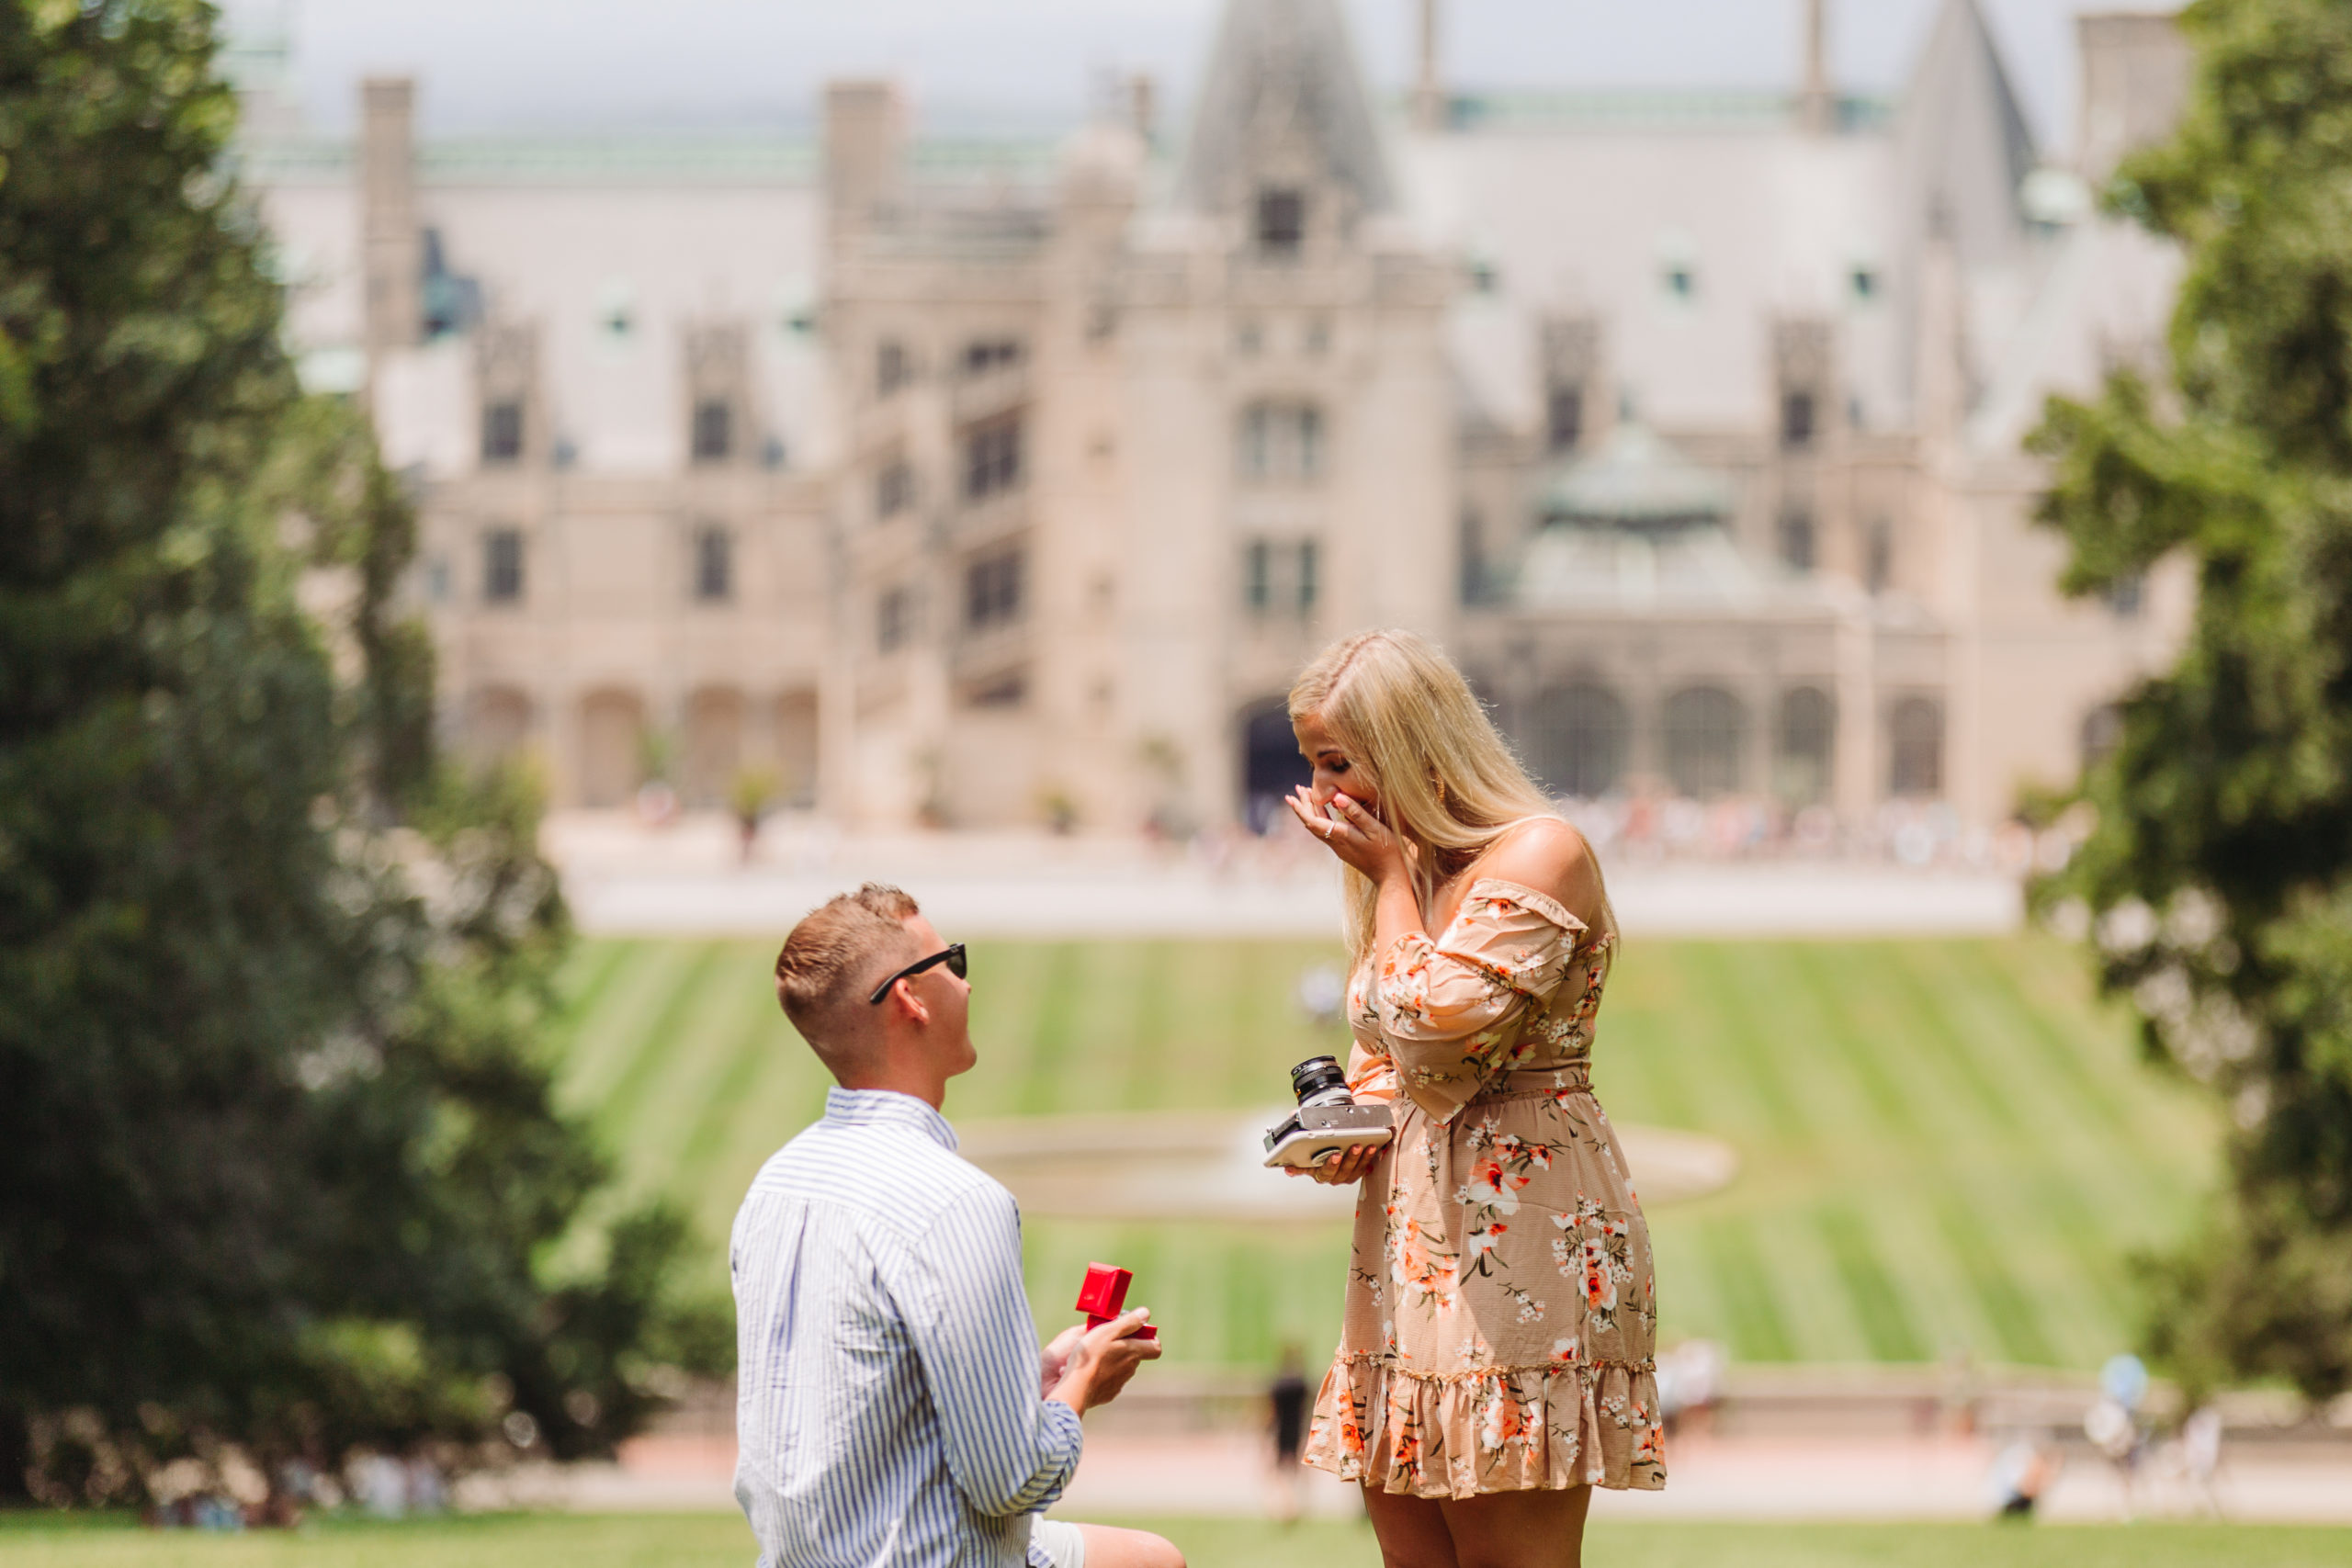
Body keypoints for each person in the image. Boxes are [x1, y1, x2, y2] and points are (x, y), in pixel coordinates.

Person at [1282, 629, 1666, 1568]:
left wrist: (1383, 881)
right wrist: (1352, 1125)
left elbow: (1426, 1021)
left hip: (1523, 1236)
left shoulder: (1539, 852)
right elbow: (1393, 1057)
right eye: (1312, 764)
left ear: (1412, 746)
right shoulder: (1413, 872)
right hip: (1409, 1246)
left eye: (1337, 762)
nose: (1323, 794)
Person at [732, 884, 1182, 1568]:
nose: (968, 988)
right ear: (911, 998)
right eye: (954, 963)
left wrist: (1033, 1380)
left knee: (1150, 1558)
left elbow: (864, 1411)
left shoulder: (777, 1180)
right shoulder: (956, 1200)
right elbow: (1012, 1481)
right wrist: (1083, 1382)